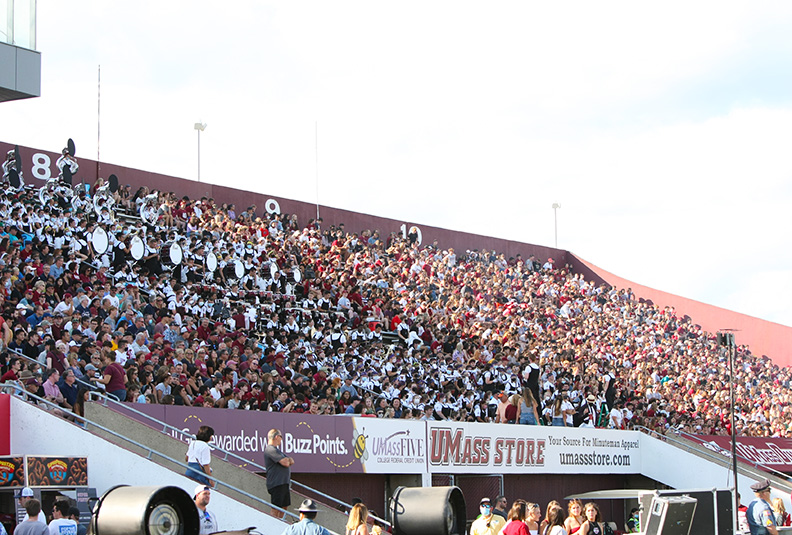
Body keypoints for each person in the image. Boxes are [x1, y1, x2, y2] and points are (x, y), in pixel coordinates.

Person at [265, 428, 295, 520]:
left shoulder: (278, 451)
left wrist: (288, 460)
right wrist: (287, 460)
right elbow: (286, 462)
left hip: (284, 483)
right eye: (281, 437)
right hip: (277, 483)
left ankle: (281, 523)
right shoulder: (270, 449)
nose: (281, 439)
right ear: (277, 437)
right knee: (276, 507)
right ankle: (272, 524)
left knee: (284, 506)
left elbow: (291, 460)